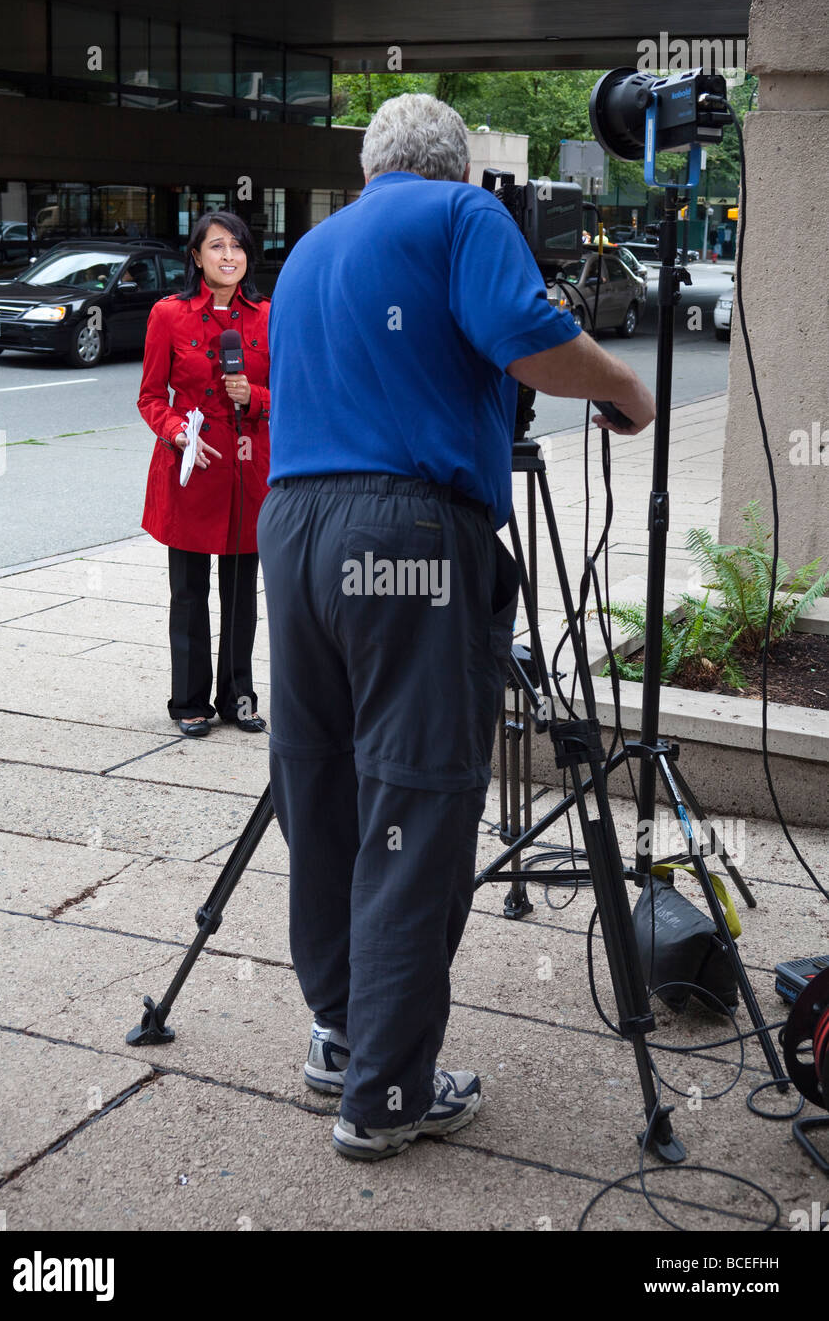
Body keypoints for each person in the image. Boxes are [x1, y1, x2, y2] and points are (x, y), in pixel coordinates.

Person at [256, 94, 655, 1162]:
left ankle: (342, 1035)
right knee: (415, 798)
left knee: (322, 783)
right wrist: (624, 390)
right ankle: (385, 1093)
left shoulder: (306, 250)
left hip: (291, 530)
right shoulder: (458, 216)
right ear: (451, 165)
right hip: (407, 527)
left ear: (370, 163)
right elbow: (527, 336)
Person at [137, 211, 270, 738]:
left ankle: (238, 696)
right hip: (190, 468)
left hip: (245, 469)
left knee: (240, 592)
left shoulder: (264, 315)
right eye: (217, 246)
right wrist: (177, 432)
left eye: (237, 246)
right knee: (189, 593)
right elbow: (150, 396)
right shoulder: (168, 315)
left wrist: (253, 396)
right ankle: (189, 701)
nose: (229, 255)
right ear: (196, 257)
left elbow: (291, 392)